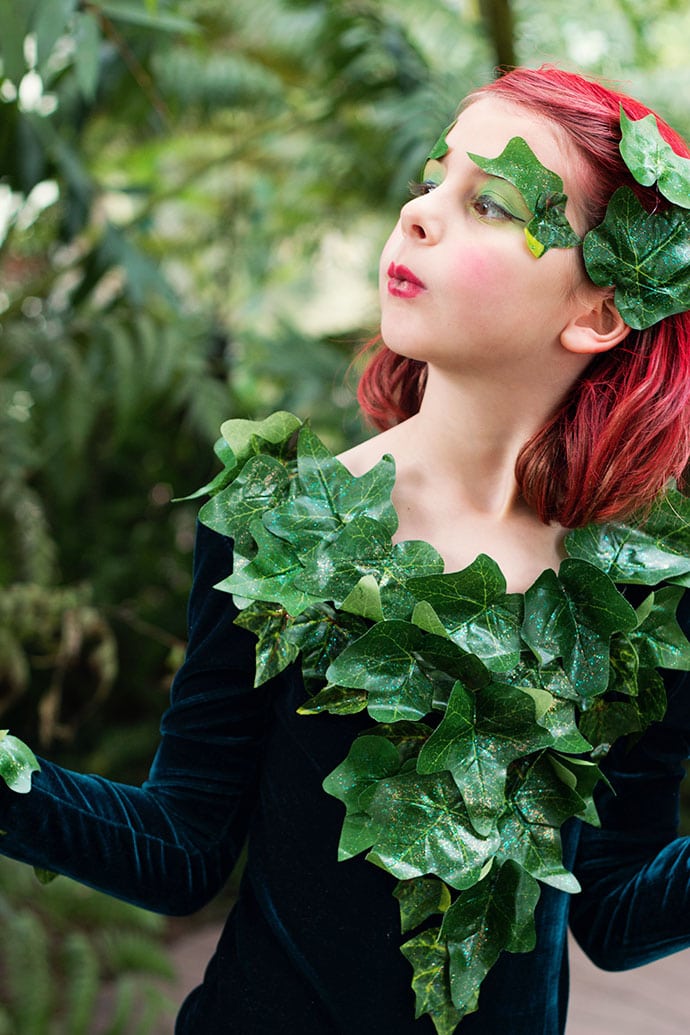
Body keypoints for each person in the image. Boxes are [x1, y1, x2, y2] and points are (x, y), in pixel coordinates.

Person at [1, 65, 690, 1034]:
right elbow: (186, 847)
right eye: (431, 176)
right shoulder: (279, 518)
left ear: (599, 312)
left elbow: (615, 912)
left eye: (489, 202)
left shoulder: (645, 589)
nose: (417, 214)